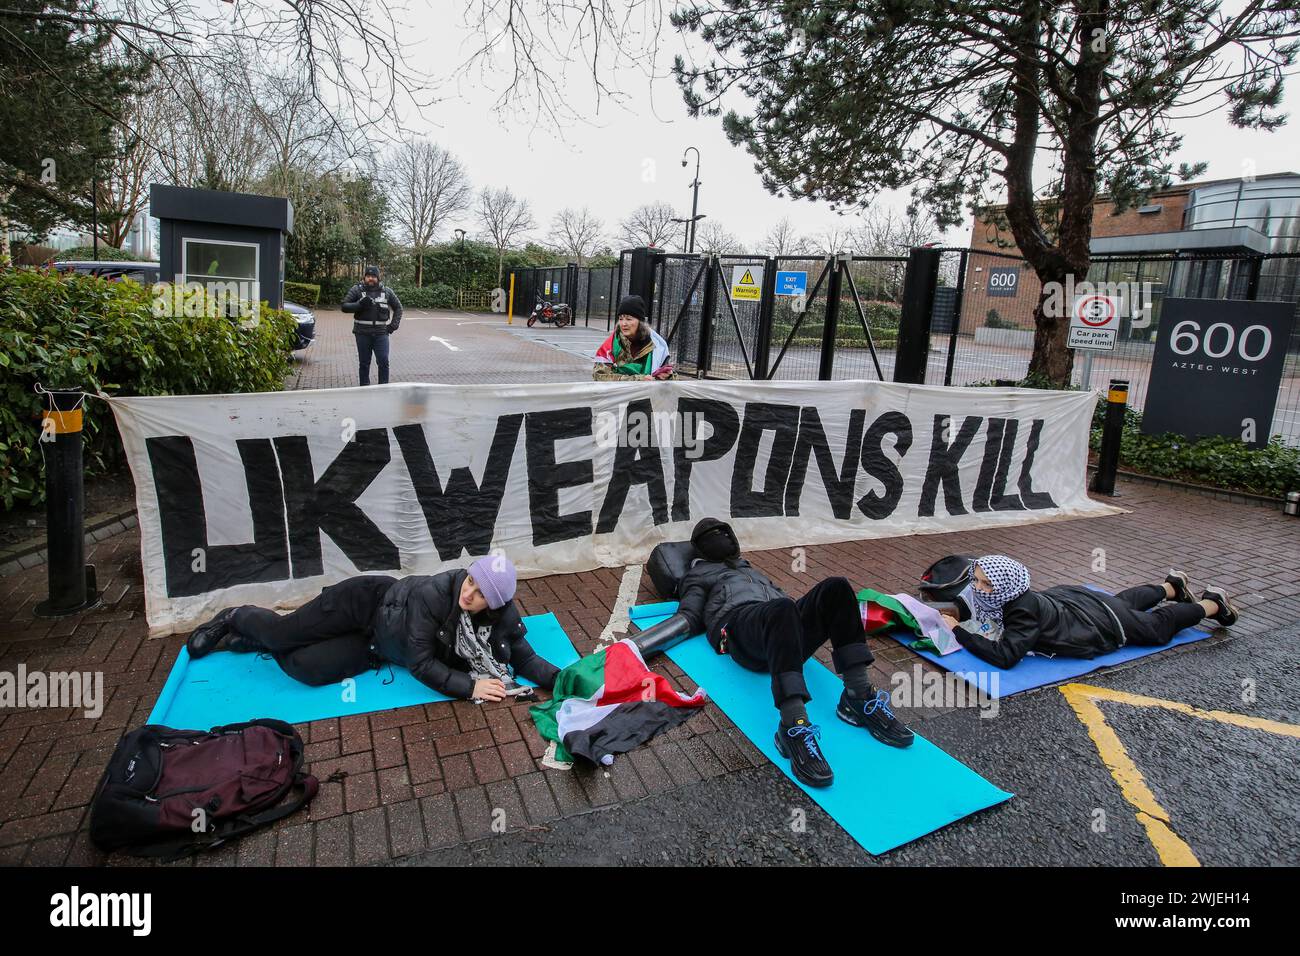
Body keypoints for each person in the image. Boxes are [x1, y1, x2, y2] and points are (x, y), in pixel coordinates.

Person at [638, 517, 912, 788]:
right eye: (713, 534)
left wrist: (799, 619)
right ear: (700, 547)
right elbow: (690, 615)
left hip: (781, 629)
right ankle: (793, 726)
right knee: (782, 609)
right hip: (739, 629)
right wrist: (635, 648)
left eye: (724, 532)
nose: (723, 537)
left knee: (836, 588)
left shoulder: (750, 569)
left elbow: (787, 603)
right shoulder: (697, 575)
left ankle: (858, 696)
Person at [184, 556, 557, 702]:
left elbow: (524, 657)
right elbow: (421, 663)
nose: (469, 593)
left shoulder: (501, 618)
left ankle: (252, 639)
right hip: (364, 603)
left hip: (379, 642)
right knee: (283, 634)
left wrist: (565, 682)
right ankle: (236, 617)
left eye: (481, 594)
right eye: (471, 581)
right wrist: (470, 685)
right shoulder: (435, 593)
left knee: (305, 668)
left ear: (497, 605)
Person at [940, 556, 1239, 669]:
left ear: (1005, 584)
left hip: (1095, 623)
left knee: (1155, 628)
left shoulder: (1021, 610)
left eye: (987, 583)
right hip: (1078, 603)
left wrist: (958, 631)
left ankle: (1212, 603)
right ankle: (1171, 587)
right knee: (1123, 603)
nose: (979, 588)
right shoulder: (1015, 591)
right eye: (976, 580)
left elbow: (1005, 656)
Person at [341, 265, 403, 386]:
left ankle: (383, 388)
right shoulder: (357, 290)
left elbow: (398, 308)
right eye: (368, 276)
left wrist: (393, 326)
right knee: (364, 363)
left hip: (381, 334)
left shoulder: (387, 291)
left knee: (383, 361)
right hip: (362, 333)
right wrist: (359, 305)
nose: (371, 279)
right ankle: (364, 389)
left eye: (373, 276)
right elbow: (344, 307)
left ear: (378, 278)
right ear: (364, 277)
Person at [592, 295, 675, 380]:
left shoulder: (657, 345)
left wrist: (668, 376)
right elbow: (599, 375)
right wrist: (637, 379)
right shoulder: (611, 344)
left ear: (640, 322)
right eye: (621, 319)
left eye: (629, 319)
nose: (624, 324)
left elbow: (672, 376)